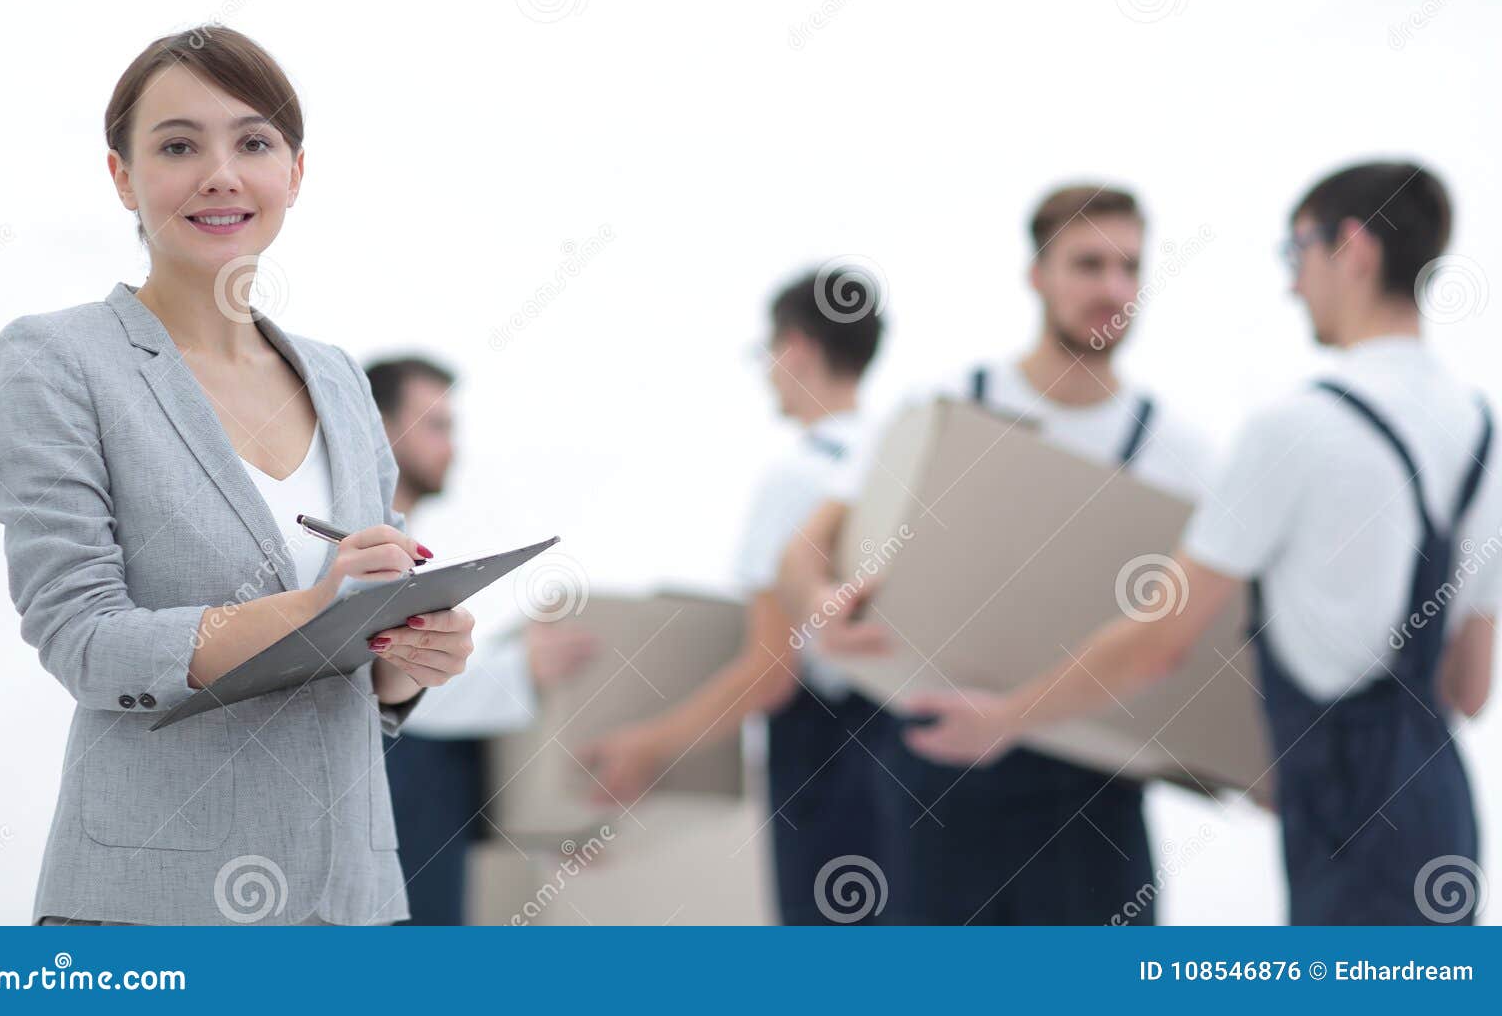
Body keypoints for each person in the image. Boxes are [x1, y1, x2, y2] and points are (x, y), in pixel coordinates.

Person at [892, 162, 1500, 925]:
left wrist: (1004, 717)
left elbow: (1159, 643)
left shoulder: (1295, 428)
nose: (1292, 283)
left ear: (1351, 249)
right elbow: (1469, 688)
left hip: (1336, 817)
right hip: (1438, 815)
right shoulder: (1479, 430)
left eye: (1297, 252)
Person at [0, 28, 474, 926]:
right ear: (123, 177)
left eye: (253, 142)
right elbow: (83, 641)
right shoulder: (58, 361)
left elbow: (357, 675)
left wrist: (408, 661)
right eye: (176, 145)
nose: (221, 174)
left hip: (355, 902)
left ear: (296, 171)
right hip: (155, 908)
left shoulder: (340, 379)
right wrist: (315, 609)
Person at [780, 186, 1215, 924]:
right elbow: (806, 548)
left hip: (1094, 795)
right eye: (1088, 264)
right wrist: (823, 607)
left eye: (1129, 268)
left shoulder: (1180, 453)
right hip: (933, 780)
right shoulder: (950, 403)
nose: (1111, 289)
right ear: (1037, 275)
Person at [579, 267, 897, 925]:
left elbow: (771, 672)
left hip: (829, 763)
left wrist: (649, 746)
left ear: (798, 350)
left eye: (769, 353)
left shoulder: (796, 476)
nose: (769, 372)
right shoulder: (895, 461)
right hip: (912, 758)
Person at [366, 356, 598, 924]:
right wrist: (521, 671)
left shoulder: (401, 544)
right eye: (436, 426)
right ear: (380, 428)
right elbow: (374, 688)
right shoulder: (352, 546)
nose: (453, 448)